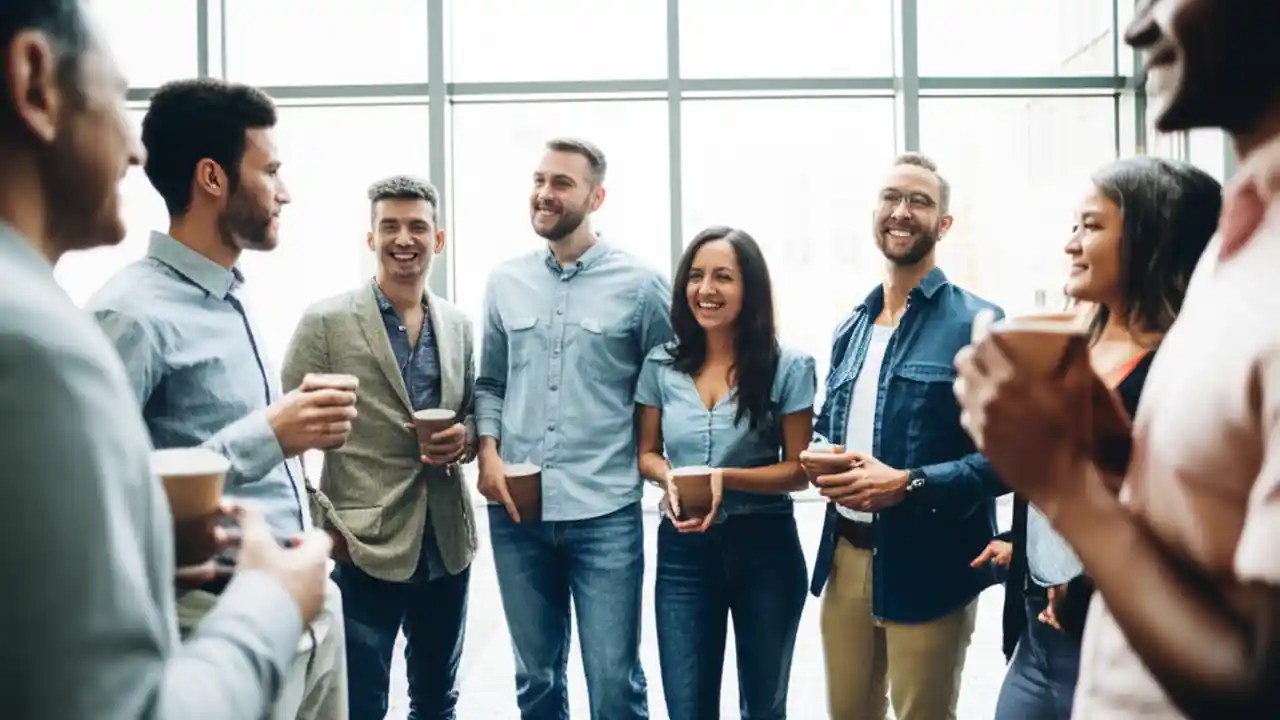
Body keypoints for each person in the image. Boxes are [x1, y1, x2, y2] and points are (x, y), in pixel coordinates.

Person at [0, 1, 332, 717]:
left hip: (286, 613)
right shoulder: (62, 333)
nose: (135, 151)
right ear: (33, 82)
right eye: (117, 98)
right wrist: (271, 599)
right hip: (219, 627)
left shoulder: (233, 297)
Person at [954, 0, 1280, 716]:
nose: (1135, 29)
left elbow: (1260, 682)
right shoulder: (1238, 248)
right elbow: (1201, 534)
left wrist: (1063, 483)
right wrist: (1100, 456)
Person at [88, 78, 351, 720]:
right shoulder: (129, 315)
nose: (284, 191)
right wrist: (271, 433)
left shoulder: (234, 291)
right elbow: (104, 496)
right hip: (216, 623)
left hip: (311, 611)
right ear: (212, 177)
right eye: (270, 170)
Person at [969, 157, 1221, 720]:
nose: (1070, 244)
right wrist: (1032, 551)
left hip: (1125, 642)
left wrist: (1087, 575)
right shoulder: (1070, 344)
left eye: (1090, 226)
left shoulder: (1186, 367)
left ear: (1147, 239)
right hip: (1036, 635)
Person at [800, 152, 1005, 720]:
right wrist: (819, 453)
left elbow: (1010, 461)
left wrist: (909, 484)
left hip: (930, 567)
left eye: (919, 201)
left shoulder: (981, 326)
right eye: (891, 197)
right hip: (845, 558)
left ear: (943, 224)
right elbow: (832, 424)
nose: (901, 211)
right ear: (874, 213)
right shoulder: (852, 326)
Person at [475, 137, 672, 719]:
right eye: (539, 180)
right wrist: (487, 452)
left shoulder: (643, 286)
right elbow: (490, 383)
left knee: (614, 682)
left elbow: (666, 388)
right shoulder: (504, 281)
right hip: (517, 511)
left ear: (596, 196)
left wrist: (660, 465)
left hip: (605, 513)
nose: (544, 193)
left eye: (561, 183)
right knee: (535, 679)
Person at [282, 175, 477, 720]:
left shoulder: (459, 325)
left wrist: (465, 440)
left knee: (437, 699)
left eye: (417, 226)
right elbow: (283, 431)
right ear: (371, 238)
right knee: (362, 702)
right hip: (361, 543)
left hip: (446, 543)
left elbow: (473, 417)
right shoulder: (326, 322)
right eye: (389, 226)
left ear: (438, 239)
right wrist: (322, 523)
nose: (403, 238)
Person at [635, 227, 815, 720]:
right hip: (684, 553)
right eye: (695, 276)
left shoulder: (790, 365)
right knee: (688, 708)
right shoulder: (661, 365)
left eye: (723, 277)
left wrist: (724, 477)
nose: (705, 289)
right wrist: (669, 477)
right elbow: (646, 453)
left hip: (767, 550)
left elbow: (799, 471)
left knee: (764, 707)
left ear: (749, 288)